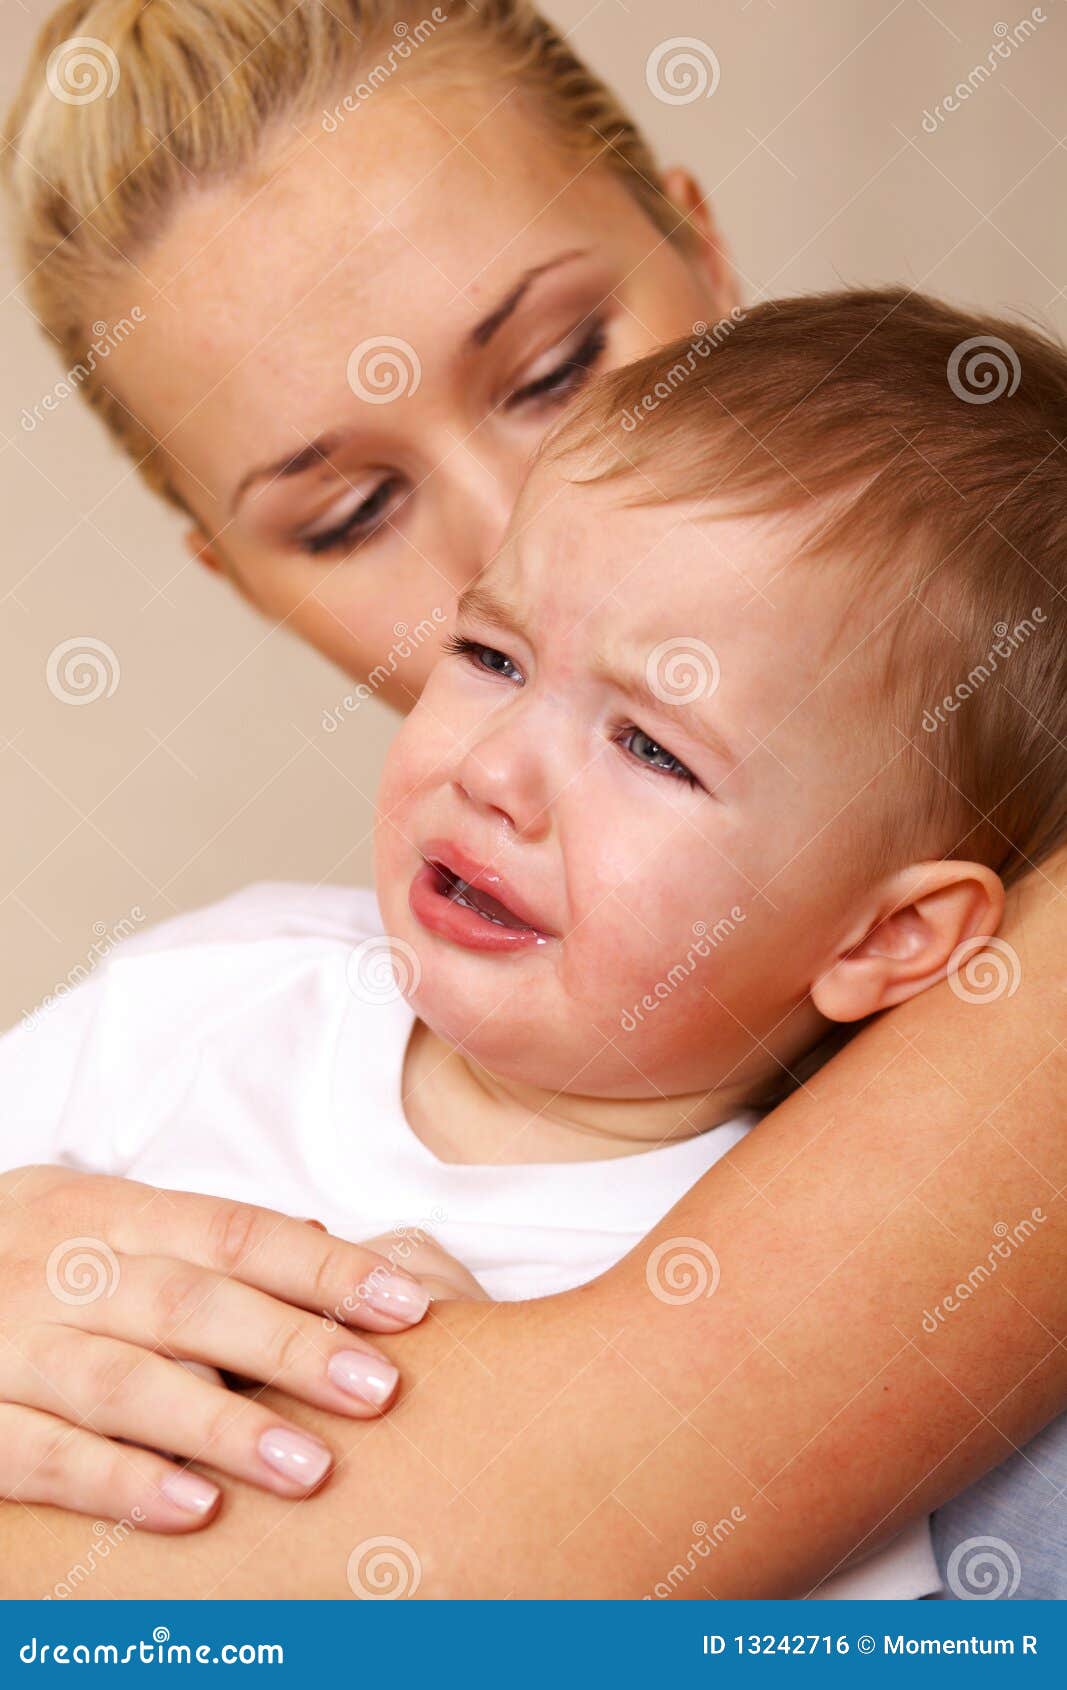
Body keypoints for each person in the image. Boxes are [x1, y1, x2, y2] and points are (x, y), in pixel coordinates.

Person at [2, 0, 1065, 1595]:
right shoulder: (191, 1013)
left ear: (702, 250)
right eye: (352, 511)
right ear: (242, 582)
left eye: (559, 366)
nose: (508, 526)